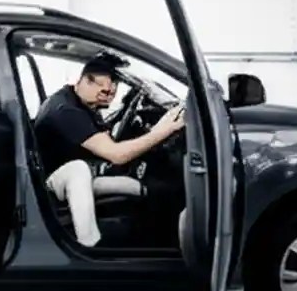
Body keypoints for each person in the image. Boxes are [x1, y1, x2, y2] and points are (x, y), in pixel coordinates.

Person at [33, 53, 186, 247]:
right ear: (85, 81)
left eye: (112, 93)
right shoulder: (66, 111)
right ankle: (89, 244)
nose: (108, 97)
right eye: (104, 91)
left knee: (144, 188)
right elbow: (117, 155)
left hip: (78, 179)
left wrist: (150, 131)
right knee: (78, 169)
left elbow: (106, 140)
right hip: (52, 183)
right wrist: (164, 130)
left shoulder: (81, 102)